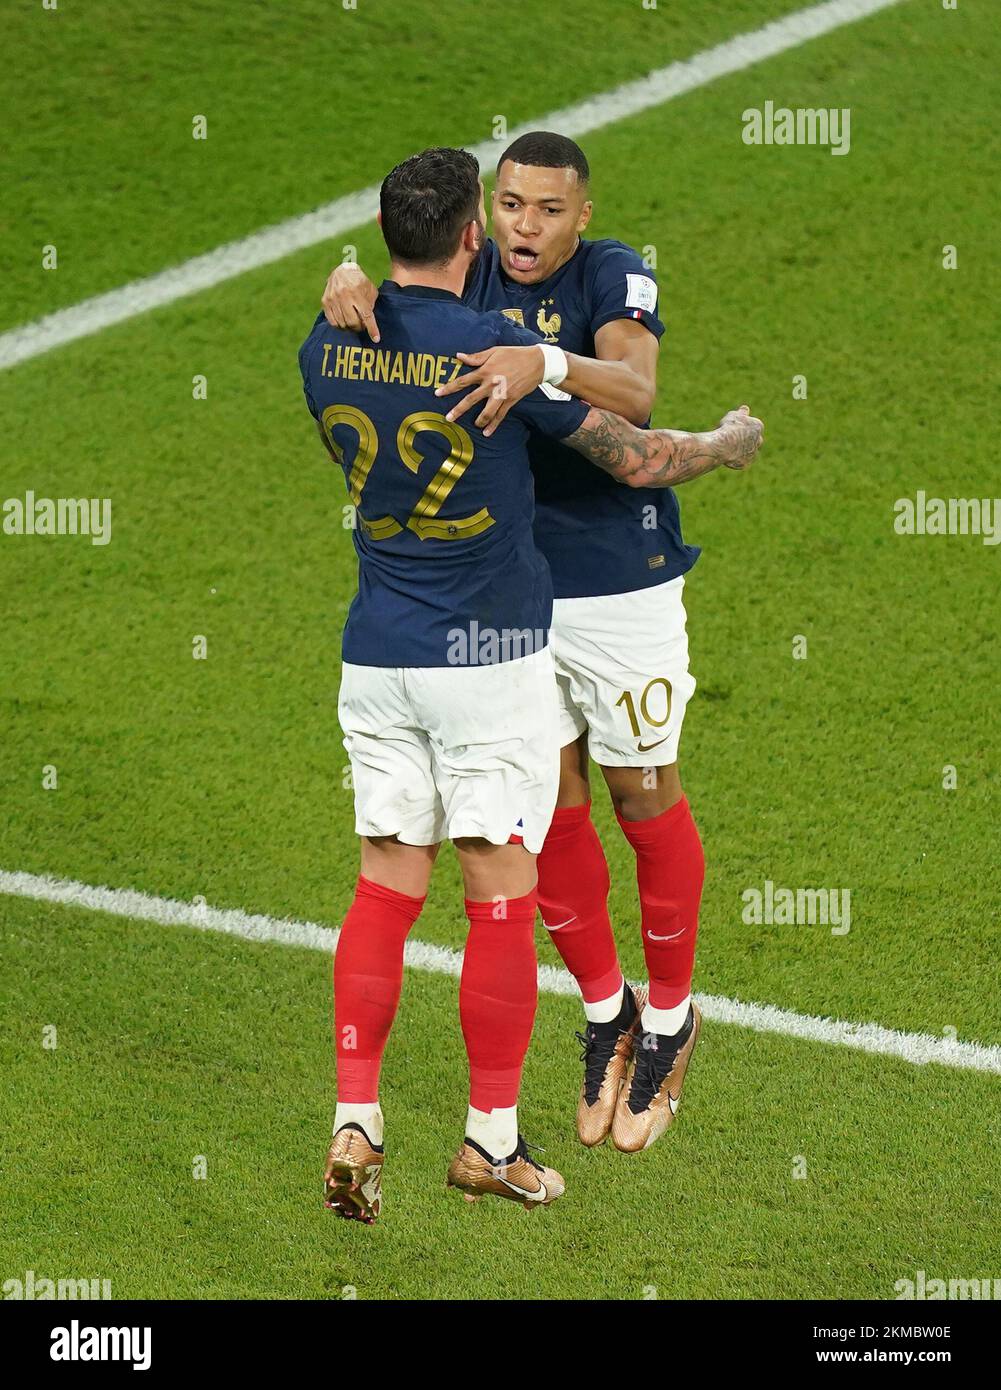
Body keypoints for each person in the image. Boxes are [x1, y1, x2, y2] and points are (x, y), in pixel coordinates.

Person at [303, 147, 763, 1221]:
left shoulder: (589, 279)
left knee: (631, 794)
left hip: (556, 600)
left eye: (546, 209)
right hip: (499, 628)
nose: (522, 225)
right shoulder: (465, 317)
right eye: (506, 204)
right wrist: (726, 443)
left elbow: (635, 393)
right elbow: (638, 448)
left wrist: (533, 361)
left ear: (580, 215)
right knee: (528, 837)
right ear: (475, 225)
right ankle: (580, 1038)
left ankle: (666, 1018)